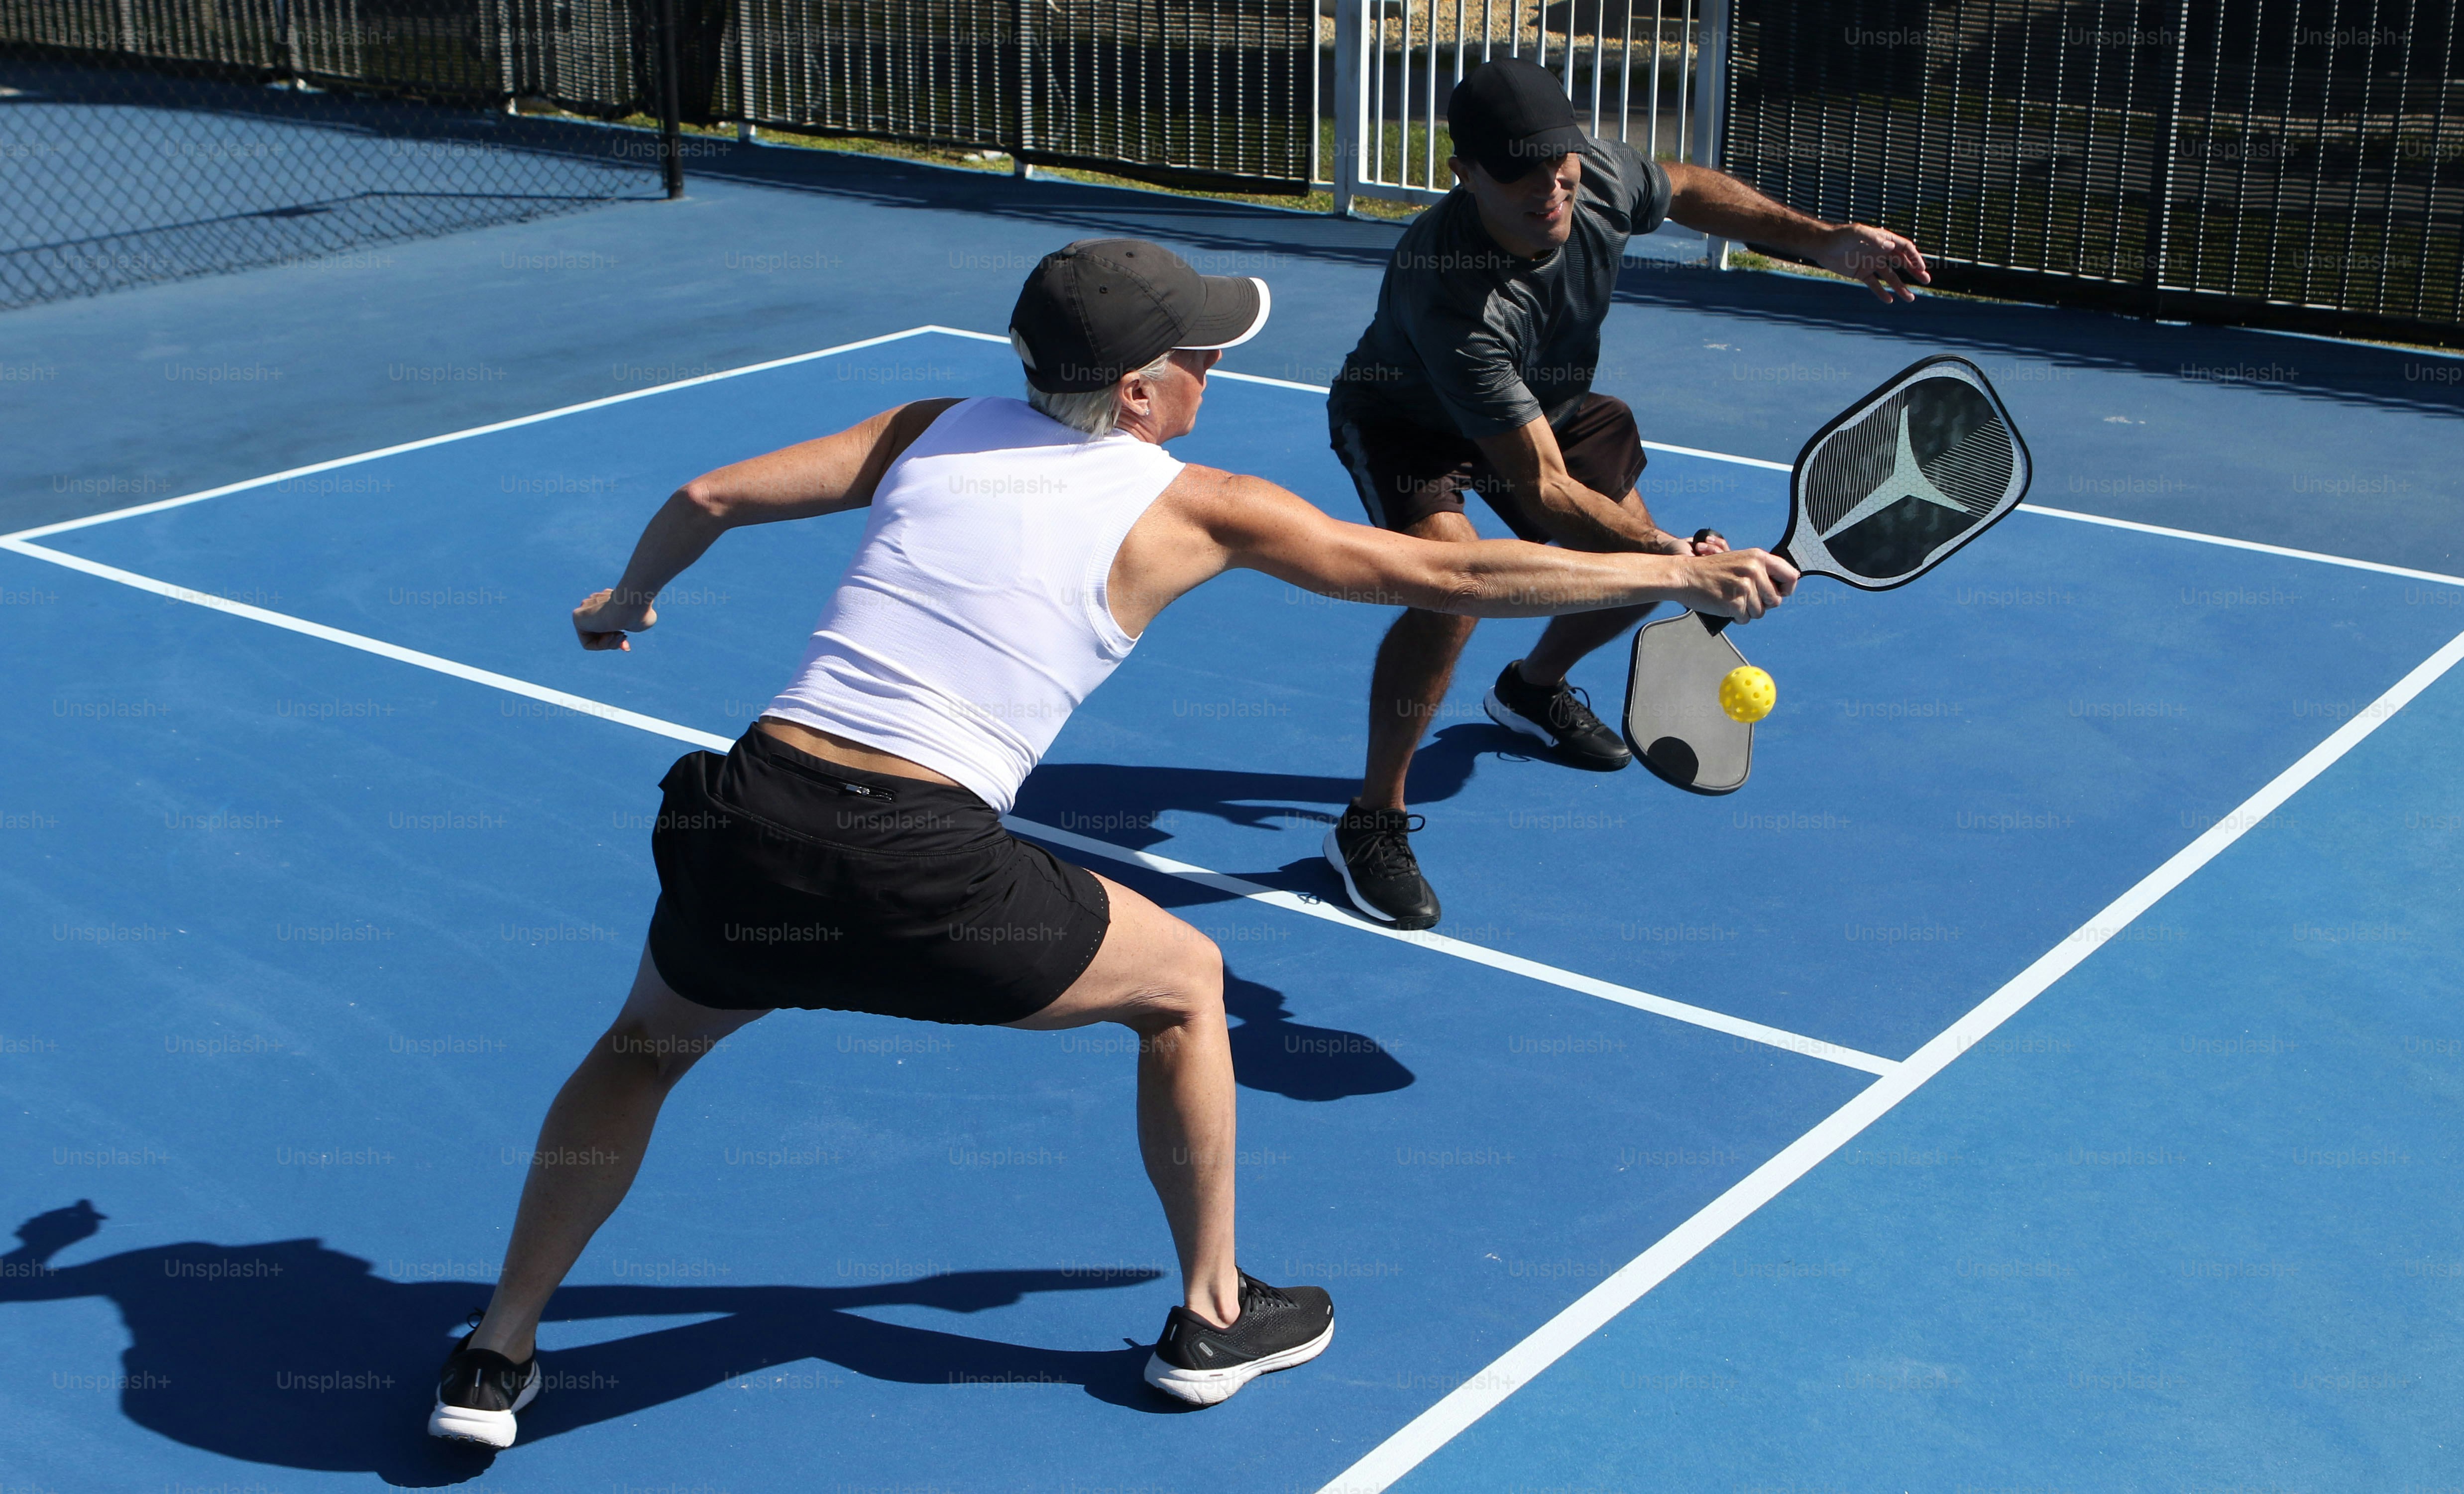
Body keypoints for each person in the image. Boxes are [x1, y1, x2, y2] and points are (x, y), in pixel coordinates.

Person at [427, 238, 1797, 1448]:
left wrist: (629, 599)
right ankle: (1212, 1317)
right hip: (922, 863)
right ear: (1137, 392)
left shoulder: (933, 425)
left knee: (642, 1049)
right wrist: (1674, 569)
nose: (1211, 368)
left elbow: (714, 495)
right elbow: (1446, 572)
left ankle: (495, 1354)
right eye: (1198, 351)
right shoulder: (1197, 504)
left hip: (754, 818)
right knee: (1187, 986)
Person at [1323, 57, 1930, 930]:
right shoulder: (1452, 292)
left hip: (1552, 400)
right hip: (1408, 417)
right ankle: (1372, 817)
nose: (1549, 189)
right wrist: (1670, 560)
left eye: (1559, 166)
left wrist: (1821, 239)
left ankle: (1531, 689)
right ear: (1463, 175)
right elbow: (1538, 486)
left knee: (1630, 572)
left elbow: (1683, 187)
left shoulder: (1588, 177)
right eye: (1519, 174)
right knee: (1454, 587)